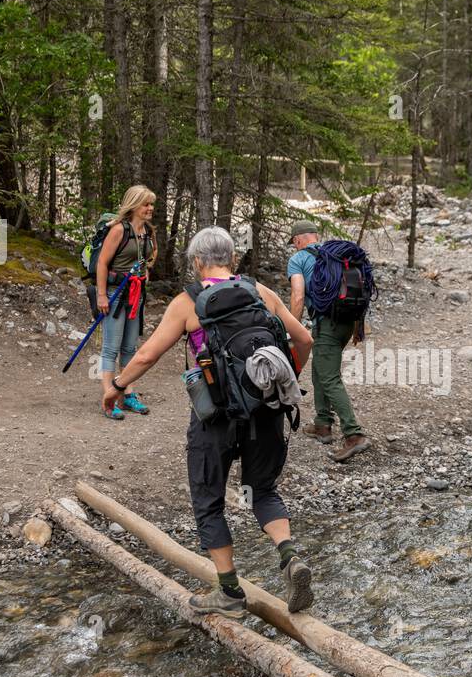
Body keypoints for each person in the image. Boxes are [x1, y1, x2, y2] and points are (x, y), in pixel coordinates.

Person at [103, 226, 316, 617]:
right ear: (233, 261)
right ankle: (289, 557)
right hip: (266, 412)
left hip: (214, 416)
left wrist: (117, 385)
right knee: (262, 491)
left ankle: (230, 592)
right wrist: (287, 381)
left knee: (209, 500)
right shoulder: (261, 293)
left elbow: (148, 354)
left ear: (197, 262)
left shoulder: (189, 302)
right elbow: (303, 339)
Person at [287, 219, 370, 462]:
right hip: (346, 323)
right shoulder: (337, 257)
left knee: (330, 377)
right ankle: (323, 425)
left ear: (298, 239)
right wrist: (358, 327)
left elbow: (298, 296)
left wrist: (292, 329)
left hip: (327, 325)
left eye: (294, 242)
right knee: (321, 370)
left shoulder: (299, 259)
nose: (294, 246)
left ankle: (354, 435)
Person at [96, 185, 156, 420]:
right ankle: (109, 398)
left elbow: (148, 258)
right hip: (115, 294)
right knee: (111, 347)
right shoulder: (119, 230)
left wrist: (145, 273)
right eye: (146, 204)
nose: (150, 208)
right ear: (134, 205)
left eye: (151, 204)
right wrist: (101, 295)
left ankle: (128, 393)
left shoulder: (148, 232)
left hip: (136, 293)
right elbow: (102, 263)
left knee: (130, 347)